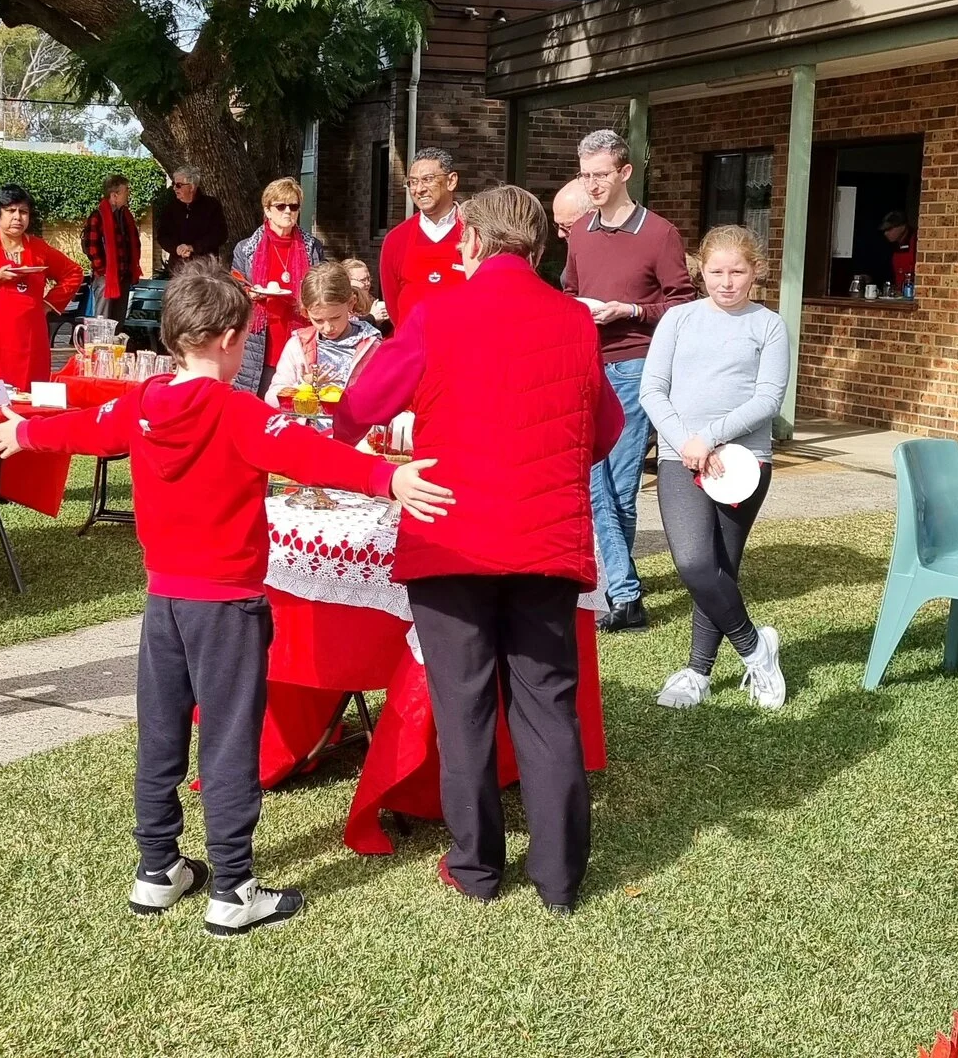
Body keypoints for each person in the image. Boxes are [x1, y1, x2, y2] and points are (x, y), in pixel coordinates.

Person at [0, 269, 452, 936]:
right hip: (228, 607)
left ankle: (156, 868)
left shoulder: (145, 401)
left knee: (162, 733)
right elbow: (317, 456)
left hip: (164, 603)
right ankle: (232, 887)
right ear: (233, 339)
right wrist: (388, 476)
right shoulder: (241, 413)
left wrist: (26, 435)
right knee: (229, 744)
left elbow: (90, 429)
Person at [331, 184, 623, 915]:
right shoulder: (575, 322)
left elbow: (362, 405)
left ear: (472, 241)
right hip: (544, 539)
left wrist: (352, 439)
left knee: (464, 707)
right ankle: (559, 879)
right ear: (537, 246)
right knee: (547, 705)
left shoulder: (436, 314)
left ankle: (477, 867)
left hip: (451, 532)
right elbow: (606, 429)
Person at [640, 225, 791, 710]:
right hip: (679, 455)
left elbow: (768, 398)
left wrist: (711, 436)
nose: (727, 282)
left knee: (722, 565)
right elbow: (652, 390)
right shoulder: (678, 320)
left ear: (756, 272)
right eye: (717, 271)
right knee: (693, 563)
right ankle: (756, 648)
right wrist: (686, 440)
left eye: (738, 271)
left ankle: (697, 673)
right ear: (700, 270)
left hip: (742, 462)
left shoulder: (768, 325)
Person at [562, 130, 696, 633]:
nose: (592, 184)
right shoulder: (579, 231)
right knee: (598, 481)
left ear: (625, 173)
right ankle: (623, 591)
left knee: (615, 486)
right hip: (586, 364)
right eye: (585, 174)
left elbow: (683, 304)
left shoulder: (659, 233)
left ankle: (619, 590)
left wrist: (631, 309)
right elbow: (571, 289)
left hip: (636, 365)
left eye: (600, 174)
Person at [0, 184, 86, 388]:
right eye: (11, 211)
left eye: (23, 212)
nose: (17, 217)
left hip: (29, 339)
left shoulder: (38, 247)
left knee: (27, 395)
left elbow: (73, 272)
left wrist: (48, 304)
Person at [228, 176, 326, 395]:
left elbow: (322, 288)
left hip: (300, 338)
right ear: (267, 210)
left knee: (294, 408)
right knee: (258, 410)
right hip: (259, 342)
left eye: (293, 206)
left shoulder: (312, 248)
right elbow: (234, 293)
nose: (288, 212)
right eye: (281, 206)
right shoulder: (246, 249)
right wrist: (249, 294)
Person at [263, 262, 382, 399]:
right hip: (308, 420)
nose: (328, 328)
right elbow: (272, 397)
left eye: (336, 317)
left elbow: (386, 397)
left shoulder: (372, 346)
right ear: (305, 312)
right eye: (318, 320)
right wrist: (303, 386)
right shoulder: (298, 345)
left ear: (351, 303)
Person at [377, 147, 464, 331]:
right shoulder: (396, 240)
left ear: (451, 181)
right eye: (413, 182)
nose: (419, 189)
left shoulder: (474, 234)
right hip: (413, 350)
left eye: (428, 180)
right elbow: (393, 306)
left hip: (464, 350)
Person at [79, 173, 142, 325]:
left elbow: (134, 243)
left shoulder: (125, 216)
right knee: (103, 321)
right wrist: (104, 272)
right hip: (106, 278)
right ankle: (100, 348)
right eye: (126, 190)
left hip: (123, 276)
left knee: (117, 322)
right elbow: (91, 247)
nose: (129, 193)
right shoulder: (98, 216)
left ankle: (116, 349)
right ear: (114, 195)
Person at [151, 168, 226, 273]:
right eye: (174, 184)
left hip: (205, 268)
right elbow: (163, 236)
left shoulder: (211, 206)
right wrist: (176, 248)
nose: (174, 188)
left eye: (178, 185)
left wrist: (193, 247)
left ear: (191, 187)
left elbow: (220, 235)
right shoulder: (170, 208)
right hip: (178, 269)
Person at [881, 210, 916, 297]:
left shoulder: (917, 242)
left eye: (889, 229)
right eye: (884, 230)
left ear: (902, 226)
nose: (886, 233)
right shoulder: (890, 246)